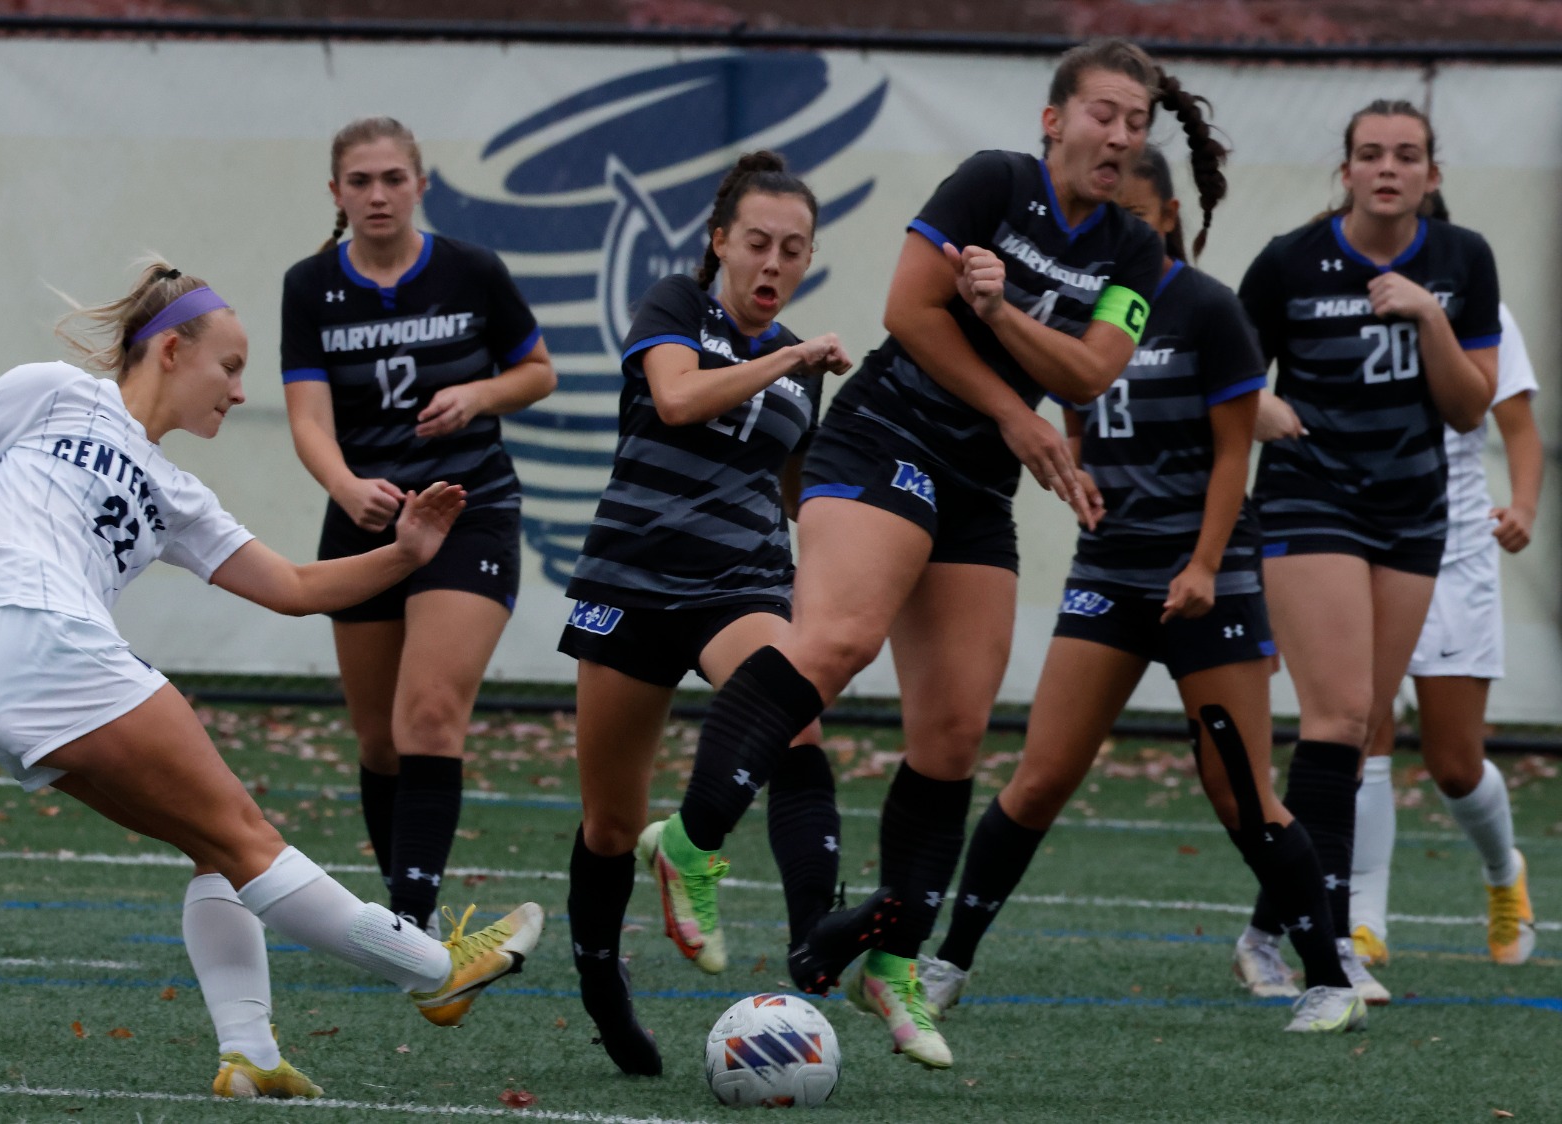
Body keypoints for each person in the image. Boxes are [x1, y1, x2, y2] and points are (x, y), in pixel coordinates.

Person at [0, 263, 544, 1100]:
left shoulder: (178, 492)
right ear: (173, 349)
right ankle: (433, 970)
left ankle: (249, 1055)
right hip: (44, 641)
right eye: (230, 367)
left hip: (12, 676)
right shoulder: (50, 391)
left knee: (218, 852)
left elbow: (295, 589)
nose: (241, 390)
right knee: (249, 836)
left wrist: (403, 556)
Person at [638, 38, 1201, 1070]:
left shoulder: (1128, 251)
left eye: (1136, 121)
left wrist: (993, 310)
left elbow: (1083, 376)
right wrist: (1010, 405)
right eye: (1103, 114)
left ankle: (889, 960)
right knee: (838, 642)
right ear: (1054, 119)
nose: (1120, 136)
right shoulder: (989, 183)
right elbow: (905, 312)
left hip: (978, 488)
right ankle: (688, 840)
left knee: (950, 735)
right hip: (883, 440)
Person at [917, 145, 1364, 1034]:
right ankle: (946, 962)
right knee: (1040, 778)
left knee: (1240, 793)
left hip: (1211, 581)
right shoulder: (1087, 310)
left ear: (1162, 217)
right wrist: (1079, 476)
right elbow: (1078, 409)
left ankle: (1330, 979)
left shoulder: (1207, 308)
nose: (1109, 219)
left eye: (1131, 207)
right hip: (1110, 575)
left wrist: (1202, 567)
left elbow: (1239, 452)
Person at [559, 151, 852, 1076]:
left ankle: (814, 935)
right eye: (757, 243)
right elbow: (678, 399)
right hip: (631, 584)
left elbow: (802, 492)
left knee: (797, 721)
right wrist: (786, 359)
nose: (773, 264)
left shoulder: (799, 370)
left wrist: (847, 574)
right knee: (609, 823)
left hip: (740, 589)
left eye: (793, 249)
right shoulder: (676, 309)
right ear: (719, 242)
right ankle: (605, 990)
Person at [1228, 102, 1500, 1008]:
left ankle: (1267, 931)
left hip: (1413, 514)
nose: (1389, 167)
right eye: (1371, 154)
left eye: (1408, 155)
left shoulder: (1463, 262)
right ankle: (1331, 946)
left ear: (1431, 171)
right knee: (1339, 719)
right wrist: (1255, 407)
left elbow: (1471, 408)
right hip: (1313, 498)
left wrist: (1428, 317)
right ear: (1344, 170)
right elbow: (1225, 376)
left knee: (1359, 728)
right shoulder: (1289, 261)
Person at [280, 117, 556, 930]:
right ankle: (413, 917)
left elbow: (537, 372)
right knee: (379, 740)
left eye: (393, 178)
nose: (377, 195)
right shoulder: (309, 285)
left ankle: (407, 921)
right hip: (366, 520)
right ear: (336, 193)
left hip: (469, 510)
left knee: (429, 713)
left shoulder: (473, 271)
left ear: (420, 186)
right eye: (360, 181)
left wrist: (479, 395)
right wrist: (344, 485)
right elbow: (307, 419)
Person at [1298, 191, 1541, 970]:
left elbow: (1518, 429)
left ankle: (1505, 873)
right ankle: (1364, 922)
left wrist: (1525, 508)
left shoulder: (1478, 307)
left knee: (1453, 761)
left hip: (1456, 545)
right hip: (1359, 534)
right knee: (1360, 723)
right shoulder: (1329, 298)